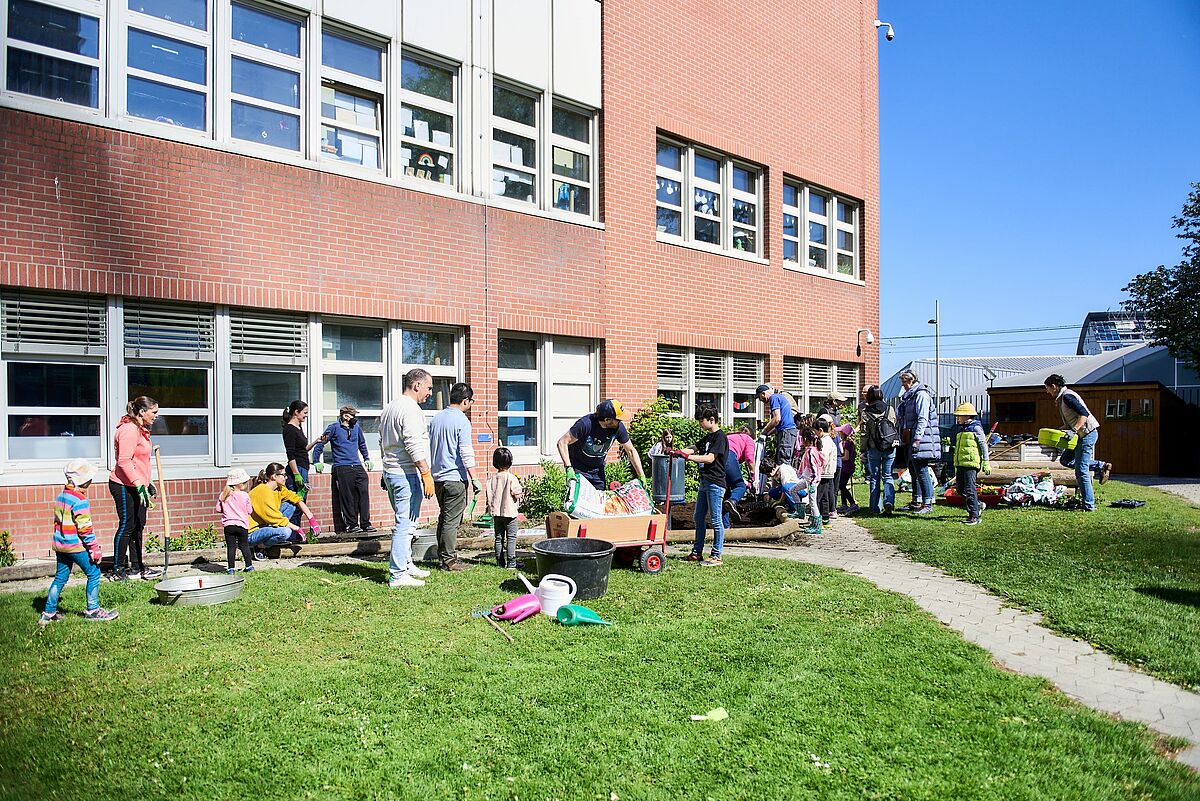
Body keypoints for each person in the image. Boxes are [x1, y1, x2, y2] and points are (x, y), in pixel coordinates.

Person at [41, 459, 118, 624]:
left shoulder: (61, 496)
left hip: (60, 545)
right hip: (75, 546)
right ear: (85, 481)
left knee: (60, 577)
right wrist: (94, 548)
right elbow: (85, 529)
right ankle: (93, 610)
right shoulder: (80, 501)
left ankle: (48, 613)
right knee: (94, 573)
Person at [380, 368, 436, 588]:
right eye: (429, 387)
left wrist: (385, 470)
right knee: (405, 524)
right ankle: (397, 574)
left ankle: (406, 563)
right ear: (417, 385)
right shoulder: (410, 409)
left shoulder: (390, 407)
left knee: (408, 522)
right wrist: (425, 473)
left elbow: (381, 441)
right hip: (405, 473)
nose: (430, 393)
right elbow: (413, 443)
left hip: (392, 471)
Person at [428, 382, 484, 572]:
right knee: (451, 522)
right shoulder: (462, 421)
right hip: (455, 478)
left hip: (438, 478)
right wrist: (475, 478)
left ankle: (443, 557)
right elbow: (466, 452)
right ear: (465, 400)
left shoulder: (436, 419)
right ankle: (449, 561)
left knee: (444, 518)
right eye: (471, 402)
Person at [109, 396, 161, 581]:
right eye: (154, 412)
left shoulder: (142, 430)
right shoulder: (129, 430)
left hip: (138, 485)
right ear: (141, 412)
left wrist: (148, 483)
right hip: (123, 485)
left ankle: (137, 568)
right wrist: (139, 485)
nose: (156, 416)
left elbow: (140, 461)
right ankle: (118, 570)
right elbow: (124, 461)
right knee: (127, 526)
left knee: (139, 526)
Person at [1044, 373, 1112, 511]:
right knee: (1066, 460)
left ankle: (1088, 505)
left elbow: (1084, 414)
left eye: (1047, 388)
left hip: (1087, 434)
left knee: (1081, 470)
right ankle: (1101, 466)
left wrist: (1074, 430)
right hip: (1079, 435)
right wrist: (1060, 431)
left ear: (1054, 386)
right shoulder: (1062, 398)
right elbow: (1072, 419)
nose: (1047, 391)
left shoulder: (1068, 396)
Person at [557, 400, 646, 491]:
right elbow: (562, 442)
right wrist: (568, 468)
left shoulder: (618, 428)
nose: (620, 422)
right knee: (580, 502)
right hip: (579, 469)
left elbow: (631, 451)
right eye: (618, 419)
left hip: (598, 470)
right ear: (607, 420)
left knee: (599, 502)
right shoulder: (585, 424)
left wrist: (641, 474)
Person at [312, 405, 374, 534]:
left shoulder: (356, 428)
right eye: (353, 415)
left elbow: (362, 444)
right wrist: (317, 460)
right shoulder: (333, 428)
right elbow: (320, 443)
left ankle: (365, 523)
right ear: (345, 416)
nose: (355, 418)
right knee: (347, 497)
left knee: (363, 494)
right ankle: (352, 525)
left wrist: (366, 458)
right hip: (342, 466)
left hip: (357, 465)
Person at [682, 407, 728, 567]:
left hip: (715, 483)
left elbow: (709, 459)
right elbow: (694, 447)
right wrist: (678, 452)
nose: (700, 424)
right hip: (704, 482)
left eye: (702, 420)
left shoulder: (720, 438)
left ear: (712, 420)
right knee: (698, 517)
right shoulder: (708, 438)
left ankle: (716, 555)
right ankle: (697, 552)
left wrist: (688, 457)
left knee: (715, 520)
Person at [248, 462, 318, 552]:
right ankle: (260, 547)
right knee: (286, 532)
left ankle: (271, 540)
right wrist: (297, 528)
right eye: (283, 475)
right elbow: (274, 518)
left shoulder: (279, 489)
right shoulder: (262, 491)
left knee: (291, 505)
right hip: (252, 533)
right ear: (274, 476)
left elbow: (297, 499)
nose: (286, 477)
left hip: (265, 525)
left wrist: (312, 520)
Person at [898, 370, 940, 515]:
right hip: (910, 438)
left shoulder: (921, 395)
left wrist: (917, 439)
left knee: (922, 470)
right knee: (913, 470)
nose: (903, 386)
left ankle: (928, 502)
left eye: (904, 382)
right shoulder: (909, 397)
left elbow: (923, 418)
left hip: (922, 439)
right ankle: (917, 501)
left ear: (910, 381)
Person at [282, 400, 326, 526]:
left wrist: (315, 442)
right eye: (305, 413)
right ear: (296, 412)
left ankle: (296, 534)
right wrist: (296, 474)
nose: (306, 415)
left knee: (302, 503)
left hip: (303, 467)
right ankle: (291, 534)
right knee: (297, 503)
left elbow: (302, 449)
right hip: (298, 470)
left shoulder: (298, 428)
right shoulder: (289, 429)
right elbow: (291, 454)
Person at [859, 385, 899, 515]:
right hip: (889, 447)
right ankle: (889, 502)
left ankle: (875, 508)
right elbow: (893, 425)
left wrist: (863, 450)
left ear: (869, 396)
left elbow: (864, 434)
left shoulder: (865, 412)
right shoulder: (889, 409)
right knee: (888, 476)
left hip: (873, 448)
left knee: (874, 478)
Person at [950, 402, 990, 525]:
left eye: (959, 416)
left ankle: (974, 516)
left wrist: (986, 461)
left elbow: (983, 445)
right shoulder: (961, 429)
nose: (957, 418)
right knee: (960, 489)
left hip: (971, 464)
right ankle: (978, 505)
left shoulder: (976, 428)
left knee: (969, 488)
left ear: (967, 416)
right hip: (961, 463)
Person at [486, 447, 524, 569]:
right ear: (510, 461)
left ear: (495, 462)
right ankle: (511, 562)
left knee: (498, 538)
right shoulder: (511, 478)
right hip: (510, 513)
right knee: (511, 538)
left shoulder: (492, 479)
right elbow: (516, 493)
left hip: (497, 514)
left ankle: (499, 561)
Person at [216, 467, 255, 574]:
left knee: (231, 547)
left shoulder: (223, 494)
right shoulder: (245, 495)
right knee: (244, 546)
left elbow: (218, 509)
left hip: (228, 526)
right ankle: (249, 566)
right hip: (242, 525)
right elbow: (249, 511)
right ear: (240, 484)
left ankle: (231, 568)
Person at [722, 426, 759, 527]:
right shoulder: (748, 439)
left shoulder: (729, 436)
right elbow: (749, 458)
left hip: (714, 459)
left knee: (725, 493)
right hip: (728, 456)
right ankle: (733, 501)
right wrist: (753, 477)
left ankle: (725, 526)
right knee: (740, 486)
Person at [756, 384, 797, 466]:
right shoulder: (779, 397)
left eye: (760, 397)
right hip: (788, 432)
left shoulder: (774, 398)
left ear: (763, 393)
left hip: (786, 433)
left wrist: (764, 431)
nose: (761, 400)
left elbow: (776, 419)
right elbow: (779, 424)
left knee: (783, 463)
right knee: (784, 461)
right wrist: (767, 434)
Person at [795, 427, 826, 535]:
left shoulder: (811, 452)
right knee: (793, 490)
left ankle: (817, 526)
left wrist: (813, 481)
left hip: (812, 481)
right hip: (808, 480)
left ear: (805, 439)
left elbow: (814, 467)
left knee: (813, 503)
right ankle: (801, 512)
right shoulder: (812, 450)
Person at [815, 418, 838, 524]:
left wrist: (817, 467)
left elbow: (824, 457)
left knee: (818, 496)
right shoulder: (827, 440)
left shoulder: (826, 442)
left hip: (824, 472)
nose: (815, 434)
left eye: (815, 432)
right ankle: (824, 517)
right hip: (826, 472)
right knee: (824, 496)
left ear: (820, 430)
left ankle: (817, 517)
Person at [836, 423, 859, 513]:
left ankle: (852, 503)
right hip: (848, 468)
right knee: (842, 486)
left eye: (841, 432)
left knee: (842, 485)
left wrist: (837, 458)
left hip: (846, 468)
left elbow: (846, 457)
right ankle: (844, 504)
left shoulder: (847, 444)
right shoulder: (849, 443)